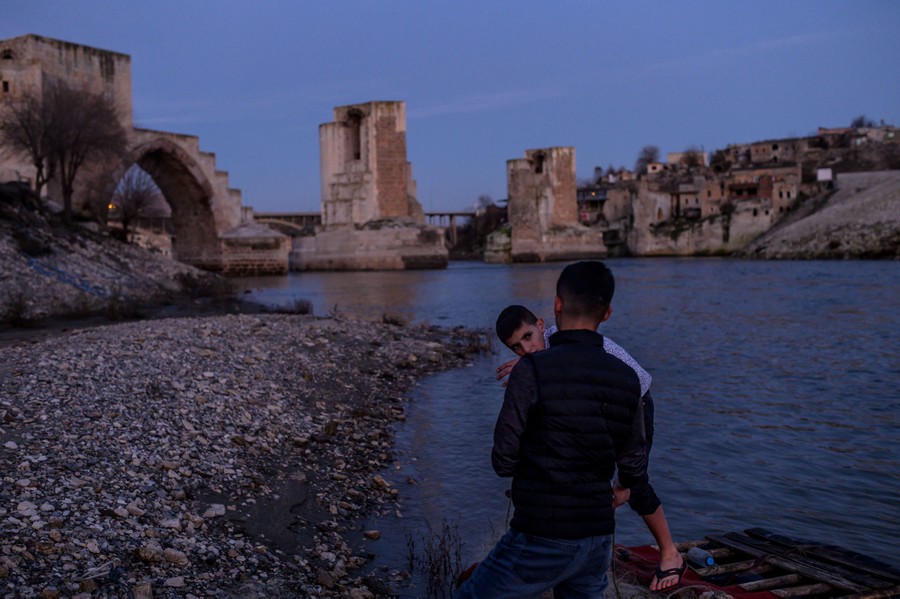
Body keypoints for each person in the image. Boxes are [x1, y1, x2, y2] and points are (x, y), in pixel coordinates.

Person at [456, 261, 650, 598]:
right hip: (597, 538)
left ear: (557, 305)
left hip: (543, 530)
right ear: (607, 314)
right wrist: (620, 485)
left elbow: (503, 459)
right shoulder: (627, 377)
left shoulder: (529, 371)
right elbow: (634, 463)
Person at [494, 305, 686, 591]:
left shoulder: (566, 339)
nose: (527, 349)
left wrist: (530, 370)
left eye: (528, 336)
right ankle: (581, 549)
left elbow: (574, 369)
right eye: (516, 348)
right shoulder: (542, 360)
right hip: (600, 404)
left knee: (633, 484)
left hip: (634, 401)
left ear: (541, 325)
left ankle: (670, 554)